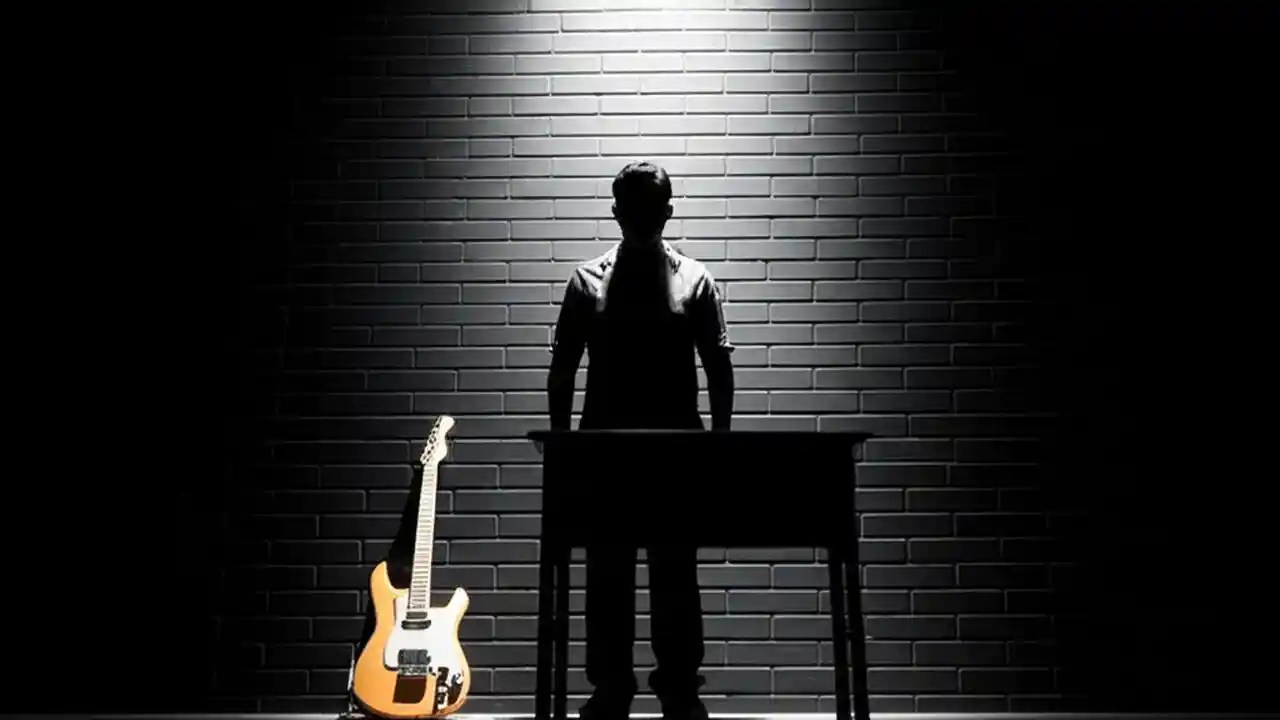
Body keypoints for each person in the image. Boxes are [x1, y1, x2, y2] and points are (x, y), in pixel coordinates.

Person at [546, 162, 736, 720]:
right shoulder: (588, 281)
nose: (641, 216)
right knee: (610, 574)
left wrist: (717, 449)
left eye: (650, 207)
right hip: (607, 457)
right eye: (633, 206)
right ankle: (616, 688)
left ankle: (675, 688)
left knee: (672, 571)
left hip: (674, 456)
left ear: (666, 212)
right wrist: (566, 454)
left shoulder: (694, 280)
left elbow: (719, 371)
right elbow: (561, 372)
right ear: (617, 212)